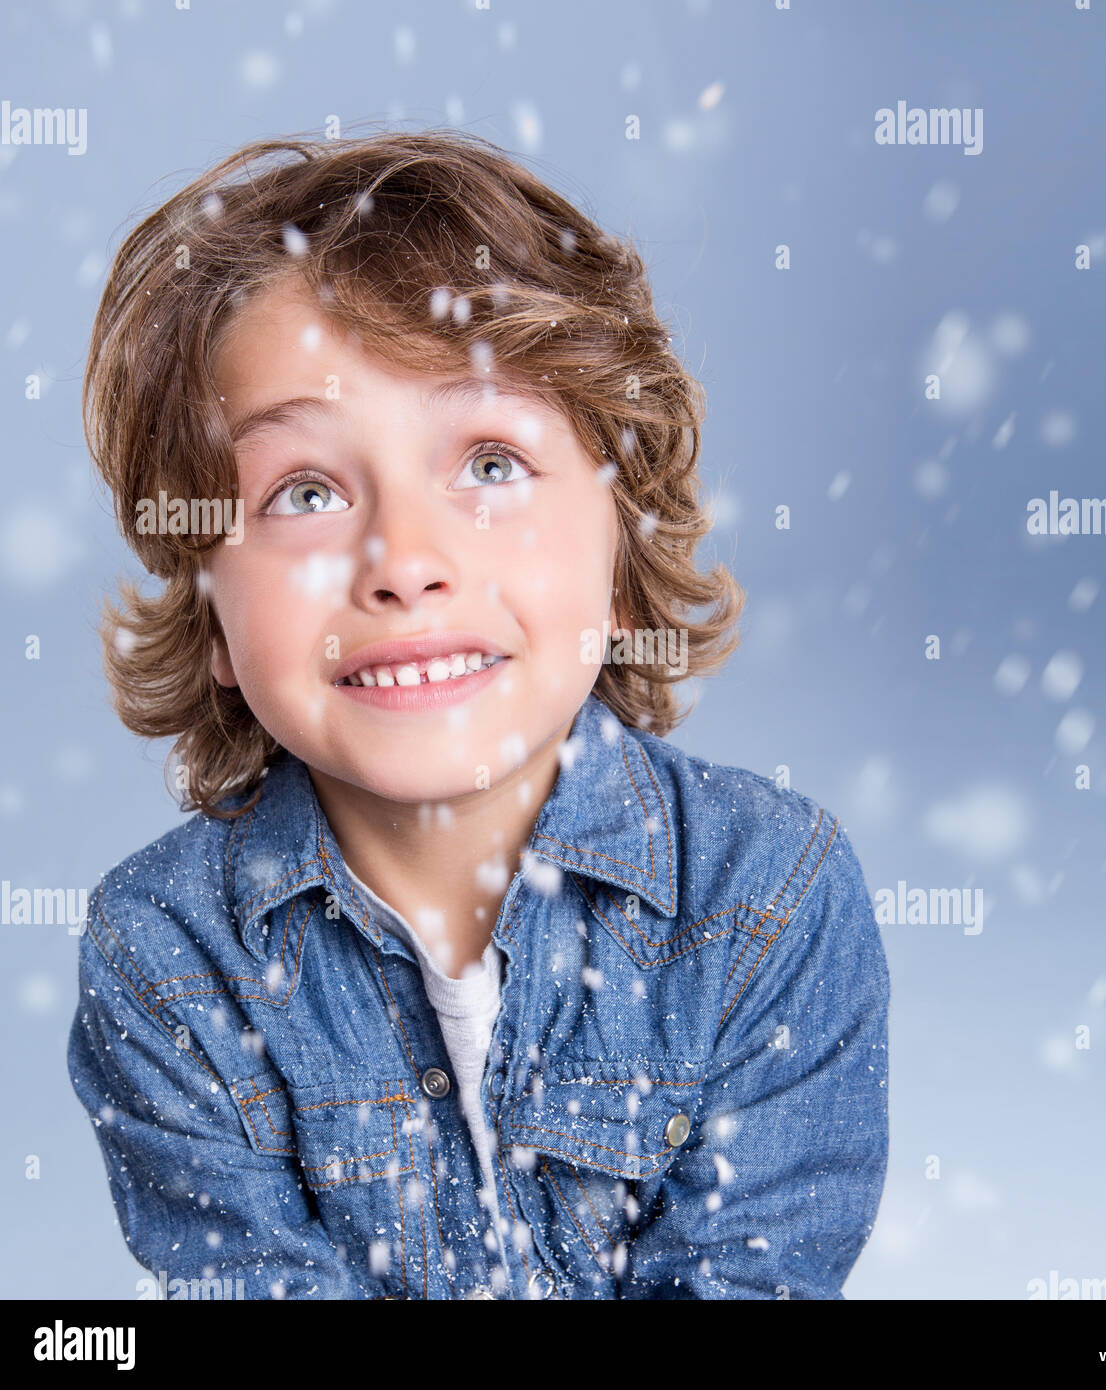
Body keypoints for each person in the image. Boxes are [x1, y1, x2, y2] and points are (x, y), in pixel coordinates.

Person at [66, 128, 889, 1300]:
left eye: (491, 464)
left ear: (621, 549)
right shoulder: (165, 954)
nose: (406, 562)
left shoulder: (770, 896)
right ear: (208, 612)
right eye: (305, 491)